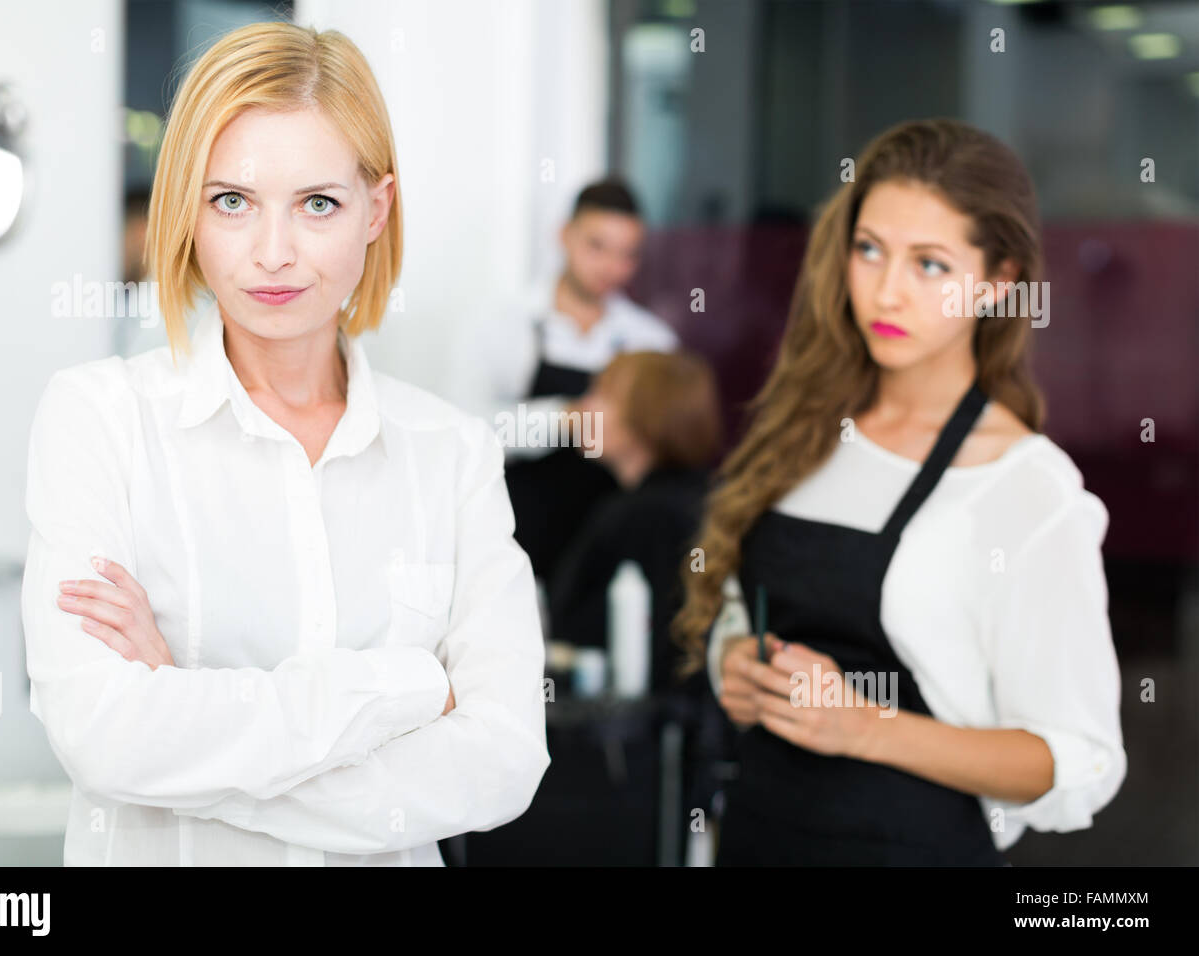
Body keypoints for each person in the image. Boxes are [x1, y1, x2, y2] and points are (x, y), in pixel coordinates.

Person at [20, 21, 549, 867]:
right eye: (232, 200)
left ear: (376, 210)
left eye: (318, 204)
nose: (273, 254)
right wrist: (410, 689)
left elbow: (506, 760)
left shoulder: (451, 455)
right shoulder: (99, 420)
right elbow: (104, 736)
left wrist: (189, 719)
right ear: (190, 208)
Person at [672, 118, 1126, 866]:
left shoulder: (1025, 489)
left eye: (931, 266)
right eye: (870, 250)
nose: (887, 291)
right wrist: (736, 669)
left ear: (999, 283)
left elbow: (1078, 760)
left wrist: (866, 726)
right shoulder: (805, 427)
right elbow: (736, 606)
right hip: (759, 833)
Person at [452, 179, 679, 581]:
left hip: (610, 548)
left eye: (628, 255)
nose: (612, 267)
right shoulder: (506, 323)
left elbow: (667, 450)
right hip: (520, 540)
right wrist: (565, 419)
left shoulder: (653, 341)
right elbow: (465, 431)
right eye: (597, 246)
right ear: (564, 235)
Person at [548, 349, 721, 696]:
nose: (582, 408)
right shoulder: (700, 499)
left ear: (648, 416)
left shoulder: (647, 517)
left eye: (601, 395)